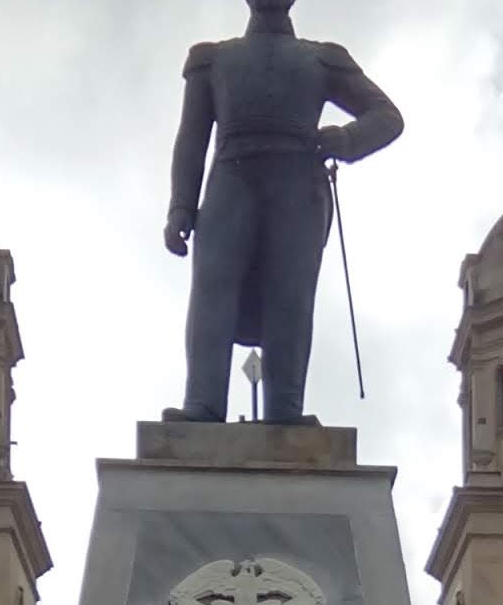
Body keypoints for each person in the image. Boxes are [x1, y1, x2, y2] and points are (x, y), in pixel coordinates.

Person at [162, 0, 403, 424]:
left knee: (289, 298)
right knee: (212, 291)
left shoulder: (323, 58)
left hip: (297, 187)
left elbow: (387, 116)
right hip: (232, 180)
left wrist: (347, 139)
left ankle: (284, 411)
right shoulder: (211, 59)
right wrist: (181, 205)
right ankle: (202, 404)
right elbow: (192, 139)